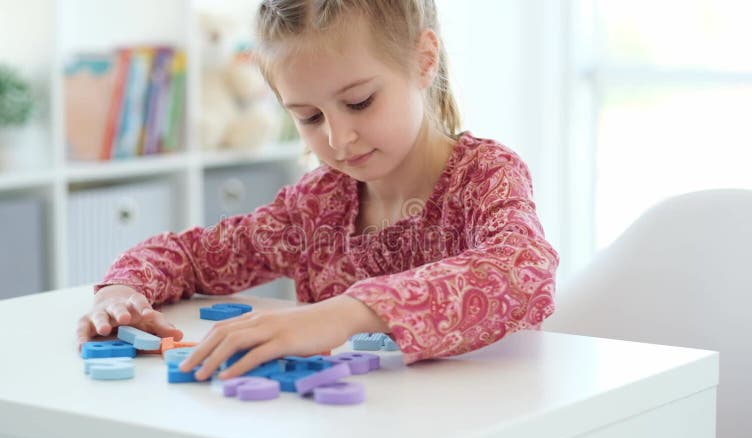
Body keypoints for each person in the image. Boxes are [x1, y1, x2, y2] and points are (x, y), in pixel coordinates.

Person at [76, 0, 559, 382]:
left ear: (424, 60)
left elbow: (524, 268)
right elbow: (192, 254)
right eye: (308, 117)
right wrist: (123, 290)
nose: (337, 138)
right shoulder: (317, 205)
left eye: (359, 101)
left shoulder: (483, 177)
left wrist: (347, 314)